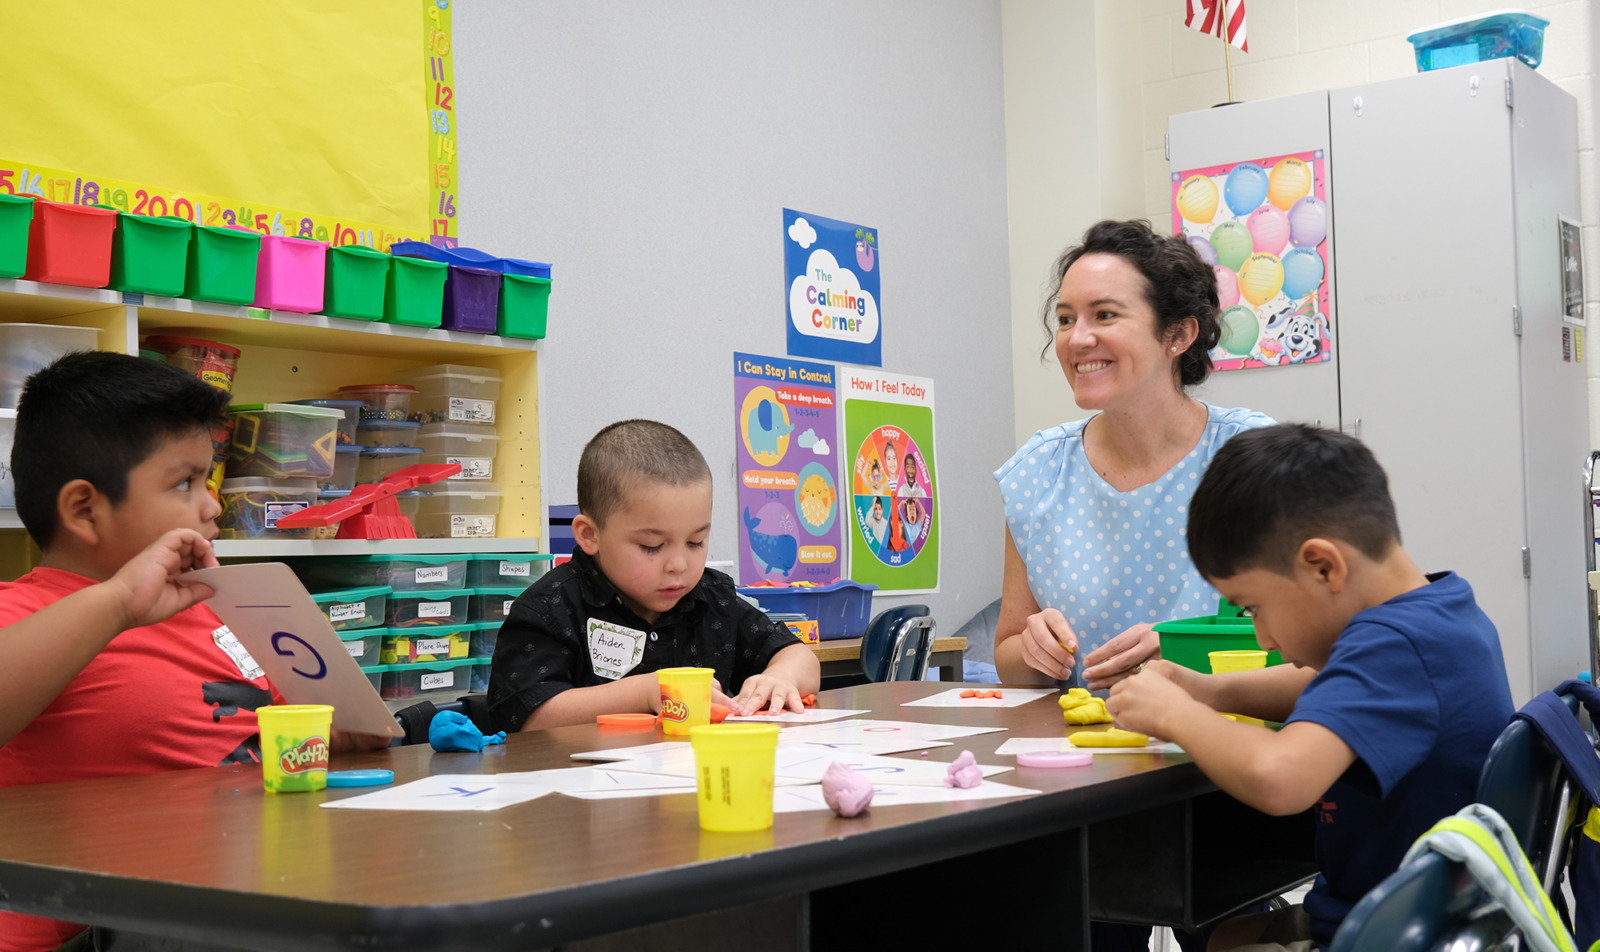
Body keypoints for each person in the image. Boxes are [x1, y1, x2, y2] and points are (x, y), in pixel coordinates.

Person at [1107, 425, 1514, 951]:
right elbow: (1322, 684)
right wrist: (1204, 689)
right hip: (1413, 914)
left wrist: (1174, 715)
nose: (1262, 637)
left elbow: (1280, 778)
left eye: (1253, 607)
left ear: (1323, 567)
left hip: (1393, 936)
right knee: (1230, 933)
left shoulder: (1394, 644)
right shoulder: (1437, 613)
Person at [0, 353, 274, 951]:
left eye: (208, 479)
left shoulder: (213, 611)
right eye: (184, 483)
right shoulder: (19, 614)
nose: (212, 506)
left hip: (237, 899)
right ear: (84, 510)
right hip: (94, 929)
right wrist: (120, 601)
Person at [994, 219, 1274, 692]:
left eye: (1104, 315)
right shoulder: (1037, 473)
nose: (1077, 339)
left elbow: (1315, 642)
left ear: (1178, 335)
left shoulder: (1252, 458)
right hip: (1087, 754)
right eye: (1066, 319)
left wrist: (1187, 648)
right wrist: (1031, 649)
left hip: (1223, 745)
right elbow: (1007, 652)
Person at [487, 419, 820, 731]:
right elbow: (528, 716)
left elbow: (799, 656)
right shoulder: (549, 609)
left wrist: (780, 676)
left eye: (696, 542)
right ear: (590, 535)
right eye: (652, 545)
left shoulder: (711, 599)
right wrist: (642, 693)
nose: (678, 564)